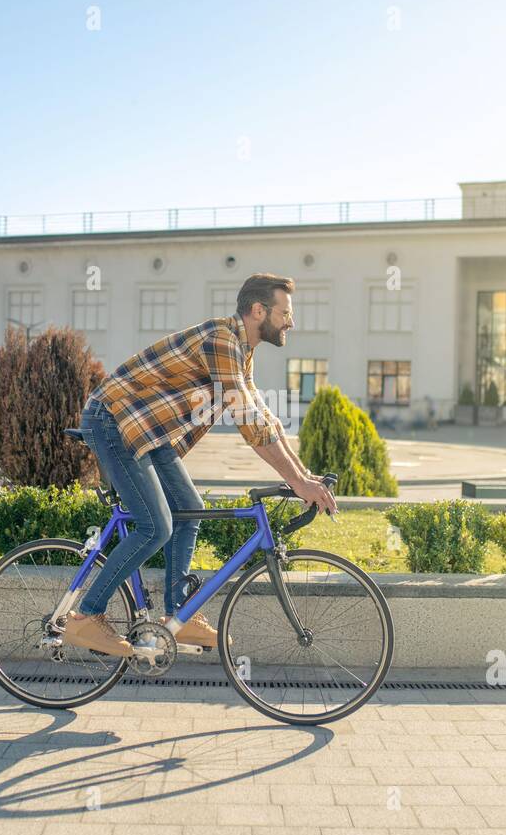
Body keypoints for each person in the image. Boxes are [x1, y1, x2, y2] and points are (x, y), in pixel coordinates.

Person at [63, 272, 339, 657]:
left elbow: (264, 419)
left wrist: (304, 477)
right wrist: (299, 482)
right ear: (258, 311)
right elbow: (248, 421)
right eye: (285, 312)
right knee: (155, 526)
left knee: (189, 511)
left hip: (146, 430)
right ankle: (86, 618)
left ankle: (180, 613)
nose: (291, 321)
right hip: (113, 421)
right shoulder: (221, 341)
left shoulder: (241, 350)